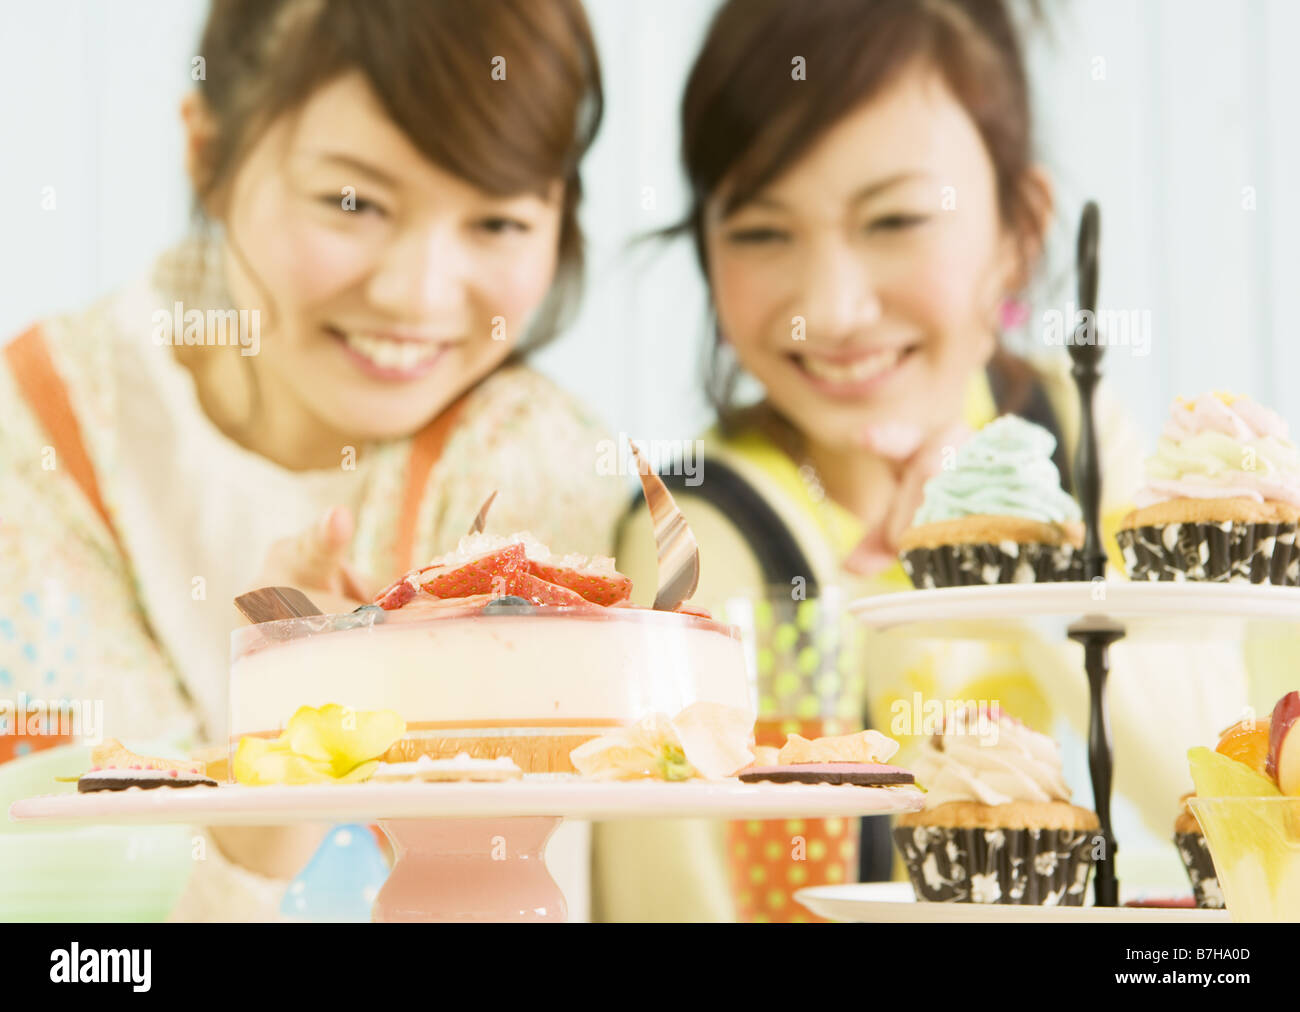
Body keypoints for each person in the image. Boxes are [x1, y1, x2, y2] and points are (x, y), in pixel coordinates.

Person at [594, 0, 1246, 922]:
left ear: (1020, 229)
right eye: (762, 231)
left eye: (895, 219)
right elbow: (663, 896)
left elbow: (1226, 798)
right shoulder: (700, 531)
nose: (833, 307)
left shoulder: (1081, 439)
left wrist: (1013, 577)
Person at [1, 0, 622, 920]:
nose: (417, 294)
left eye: (494, 223)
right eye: (353, 202)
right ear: (208, 153)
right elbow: (72, 924)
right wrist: (259, 832)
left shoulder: (538, 471)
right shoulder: (40, 436)